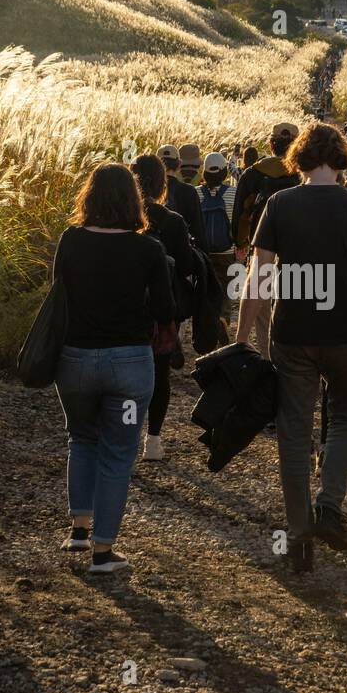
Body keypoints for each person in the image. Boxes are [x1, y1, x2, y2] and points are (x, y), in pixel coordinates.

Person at [236, 123, 347, 572]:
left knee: (294, 429)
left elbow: (259, 280)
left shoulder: (278, 205)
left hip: (293, 336)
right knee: (344, 417)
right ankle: (330, 508)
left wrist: (242, 340)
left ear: (300, 160)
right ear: (342, 158)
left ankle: (299, 532)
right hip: (345, 334)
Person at [53, 163, 173, 572]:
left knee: (81, 438)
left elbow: (59, 298)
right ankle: (103, 552)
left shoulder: (70, 241)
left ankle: (79, 531)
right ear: (133, 201)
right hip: (128, 363)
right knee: (118, 453)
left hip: (75, 360)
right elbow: (164, 309)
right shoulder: (148, 249)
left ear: (89, 197)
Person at [131, 154, 194, 463]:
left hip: (126, 311)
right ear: (161, 184)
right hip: (161, 313)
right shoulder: (172, 221)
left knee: (127, 380)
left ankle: (127, 433)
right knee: (158, 376)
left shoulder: (119, 219)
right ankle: (152, 441)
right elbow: (185, 266)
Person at [231, 122, 301, 358]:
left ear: (271, 144)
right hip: (298, 254)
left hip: (261, 251)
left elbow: (241, 213)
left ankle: (269, 359)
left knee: (261, 309)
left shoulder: (253, 174)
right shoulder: (305, 175)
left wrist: (240, 243)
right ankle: (289, 359)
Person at [197, 151, 237, 321]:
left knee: (207, 291)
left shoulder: (196, 193)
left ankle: (210, 324)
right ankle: (223, 322)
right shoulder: (234, 193)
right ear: (224, 172)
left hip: (203, 252)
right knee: (226, 293)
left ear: (204, 172)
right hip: (227, 251)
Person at [157, 142, 205, 248]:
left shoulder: (152, 190)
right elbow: (198, 228)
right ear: (179, 164)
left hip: (158, 249)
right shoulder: (189, 191)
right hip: (184, 248)